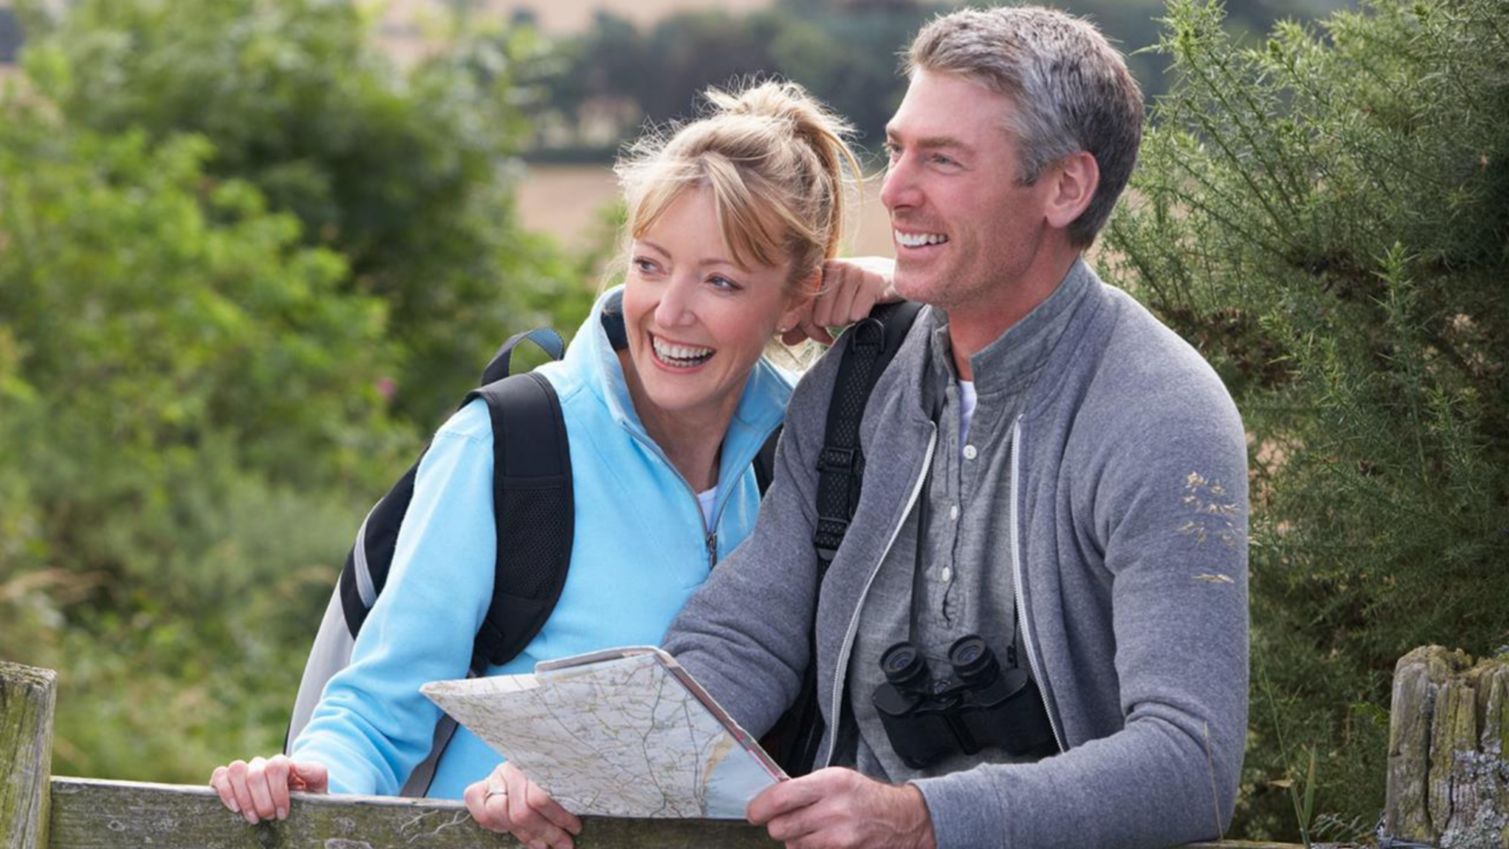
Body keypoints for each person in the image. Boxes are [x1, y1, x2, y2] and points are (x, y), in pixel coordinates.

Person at [474, 7, 1250, 849]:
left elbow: (1191, 762)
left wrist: (922, 819)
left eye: (942, 160)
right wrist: (589, 754)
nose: (893, 188)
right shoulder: (857, 376)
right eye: (899, 147)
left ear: (1064, 188)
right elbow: (747, 632)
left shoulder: (1161, 412)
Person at [207, 80, 890, 824]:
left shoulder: (816, 457)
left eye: (719, 280)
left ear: (799, 298)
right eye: (650, 264)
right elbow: (377, 708)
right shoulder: (508, 445)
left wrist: (899, 292)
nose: (669, 312)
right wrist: (317, 773)